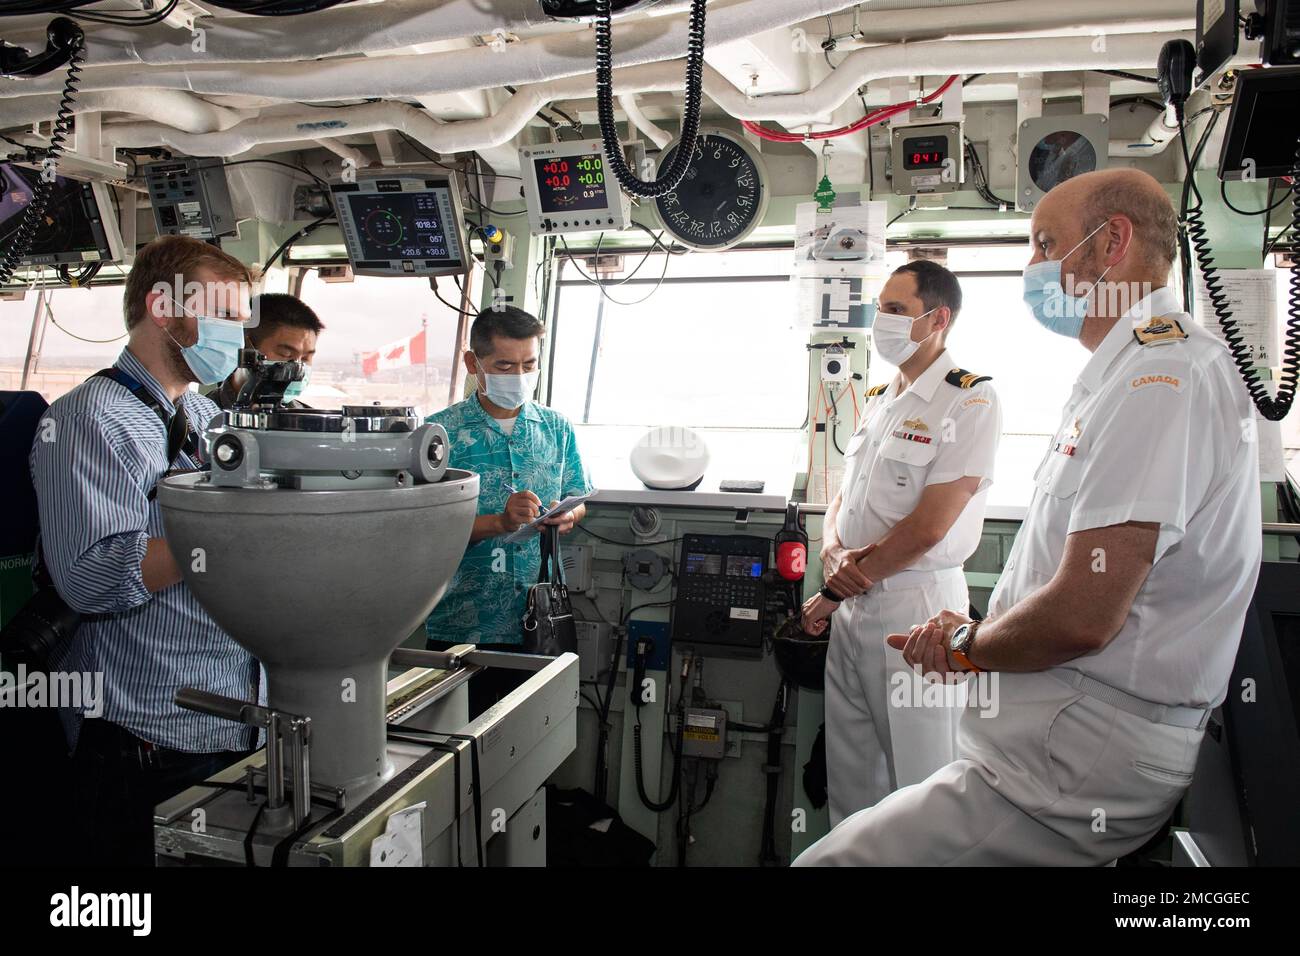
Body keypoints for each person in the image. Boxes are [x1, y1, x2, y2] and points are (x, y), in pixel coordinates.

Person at [795, 168, 1261, 866]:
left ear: (1113, 243)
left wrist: (966, 644)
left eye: (1046, 244)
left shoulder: (1161, 377)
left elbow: (1083, 615)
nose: (1032, 268)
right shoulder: (1121, 375)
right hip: (1054, 730)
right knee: (857, 802)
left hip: (1078, 749)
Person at [29, 234, 262, 866]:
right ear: (163, 308)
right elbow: (92, 579)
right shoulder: (91, 418)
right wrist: (230, 529)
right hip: (145, 736)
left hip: (227, 716)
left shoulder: (209, 421)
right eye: (224, 315)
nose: (236, 336)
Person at [799, 259, 1002, 825]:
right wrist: (833, 550)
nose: (880, 321)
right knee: (851, 775)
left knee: (922, 783)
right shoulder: (884, 396)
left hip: (918, 609)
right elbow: (845, 493)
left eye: (896, 310)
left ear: (938, 319)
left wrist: (836, 587)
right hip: (854, 604)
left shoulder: (970, 399)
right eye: (879, 308)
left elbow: (929, 527)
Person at [424, 306, 592, 714]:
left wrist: (567, 515)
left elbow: (578, 497)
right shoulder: (438, 434)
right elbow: (425, 528)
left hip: (540, 616)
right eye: (504, 365)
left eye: (528, 364)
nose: (518, 376)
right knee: (459, 747)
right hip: (464, 618)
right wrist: (498, 522)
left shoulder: (556, 427)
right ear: (473, 362)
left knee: (534, 741)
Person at [203, 292, 324, 410]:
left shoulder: (310, 423)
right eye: (285, 354)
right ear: (246, 348)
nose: (298, 368)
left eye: (305, 358)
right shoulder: (200, 418)